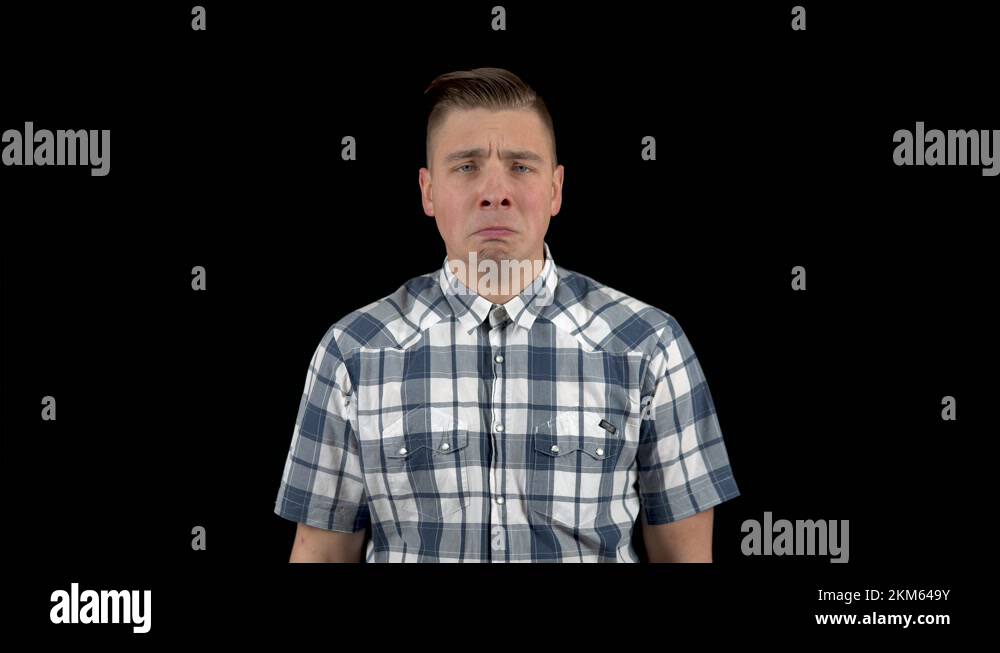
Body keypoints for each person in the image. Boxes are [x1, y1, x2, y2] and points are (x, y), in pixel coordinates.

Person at [274, 67, 739, 562]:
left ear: (556, 189)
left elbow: (684, 556)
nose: (495, 192)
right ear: (428, 191)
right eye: (466, 166)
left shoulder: (649, 345)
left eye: (521, 166)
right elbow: (322, 554)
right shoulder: (353, 352)